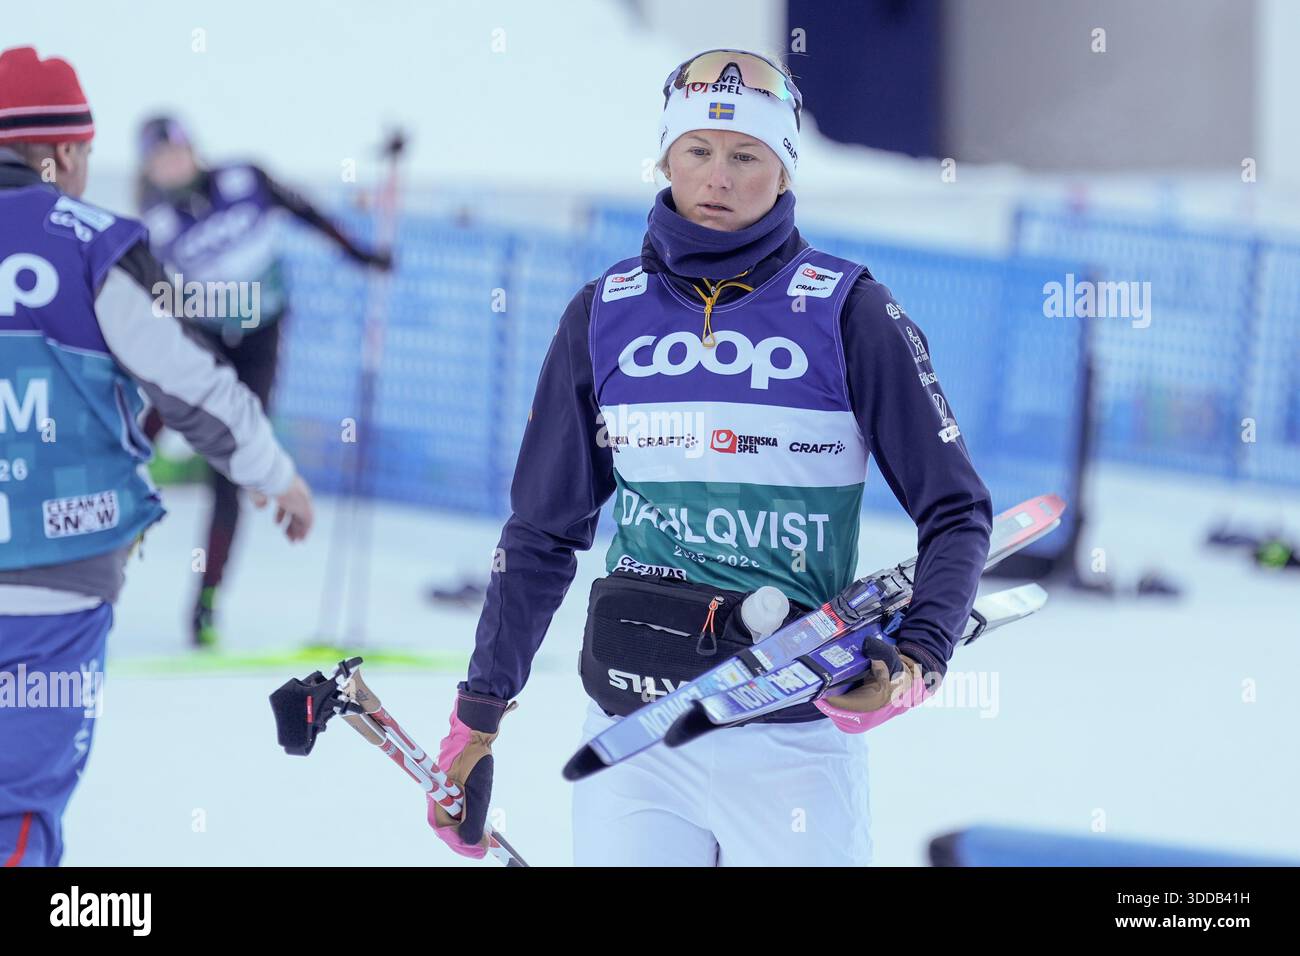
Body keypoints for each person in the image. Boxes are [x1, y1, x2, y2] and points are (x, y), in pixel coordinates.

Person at [430, 49, 993, 866]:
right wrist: (475, 720)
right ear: (665, 158)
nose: (718, 177)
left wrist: (920, 653)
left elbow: (956, 509)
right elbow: (543, 532)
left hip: (792, 744)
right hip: (631, 736)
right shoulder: (602, 314)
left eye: (746, 156)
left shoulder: (849, 309)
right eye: (697, 150)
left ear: (786, 171)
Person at [0, 46, 314, 866]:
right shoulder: (92, 242)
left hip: (56, 575)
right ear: (63, 152)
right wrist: (272, 472)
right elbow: (190, 385)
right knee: (17, 813)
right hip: (50, 581)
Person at [134, 116, 390, 647]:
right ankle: (112, 475)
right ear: (150, 170)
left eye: (177, 152)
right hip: (203, 336)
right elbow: (147, 298)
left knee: (234, 463)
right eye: (160, 159)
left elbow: (307, 213)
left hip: (260, 339)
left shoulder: (243, 180)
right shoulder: (157, 222)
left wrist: (360, 255)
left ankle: (206, 602)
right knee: (155, 415)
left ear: (193, 150)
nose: (173, 164)